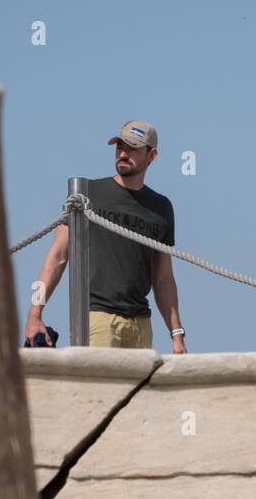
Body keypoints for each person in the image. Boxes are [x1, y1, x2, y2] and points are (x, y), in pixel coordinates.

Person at [24, 120, 188, 353]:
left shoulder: (161, 208)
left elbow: (163, 279)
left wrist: (177, 334)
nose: (123, 153)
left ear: (152, 155)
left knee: (139, 391)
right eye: (119, 146)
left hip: (140, 324)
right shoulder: (86, 194)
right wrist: (34, 313)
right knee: (96, 389)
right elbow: (57, 258)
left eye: (132, 148)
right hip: (97, 319)